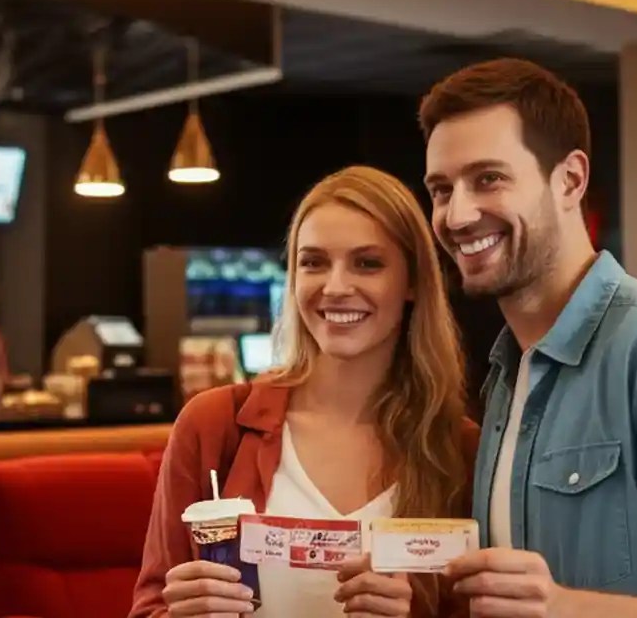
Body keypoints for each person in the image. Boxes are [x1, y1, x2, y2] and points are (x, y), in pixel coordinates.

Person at [420, 58, 637, 617]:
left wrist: (565, 609)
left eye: (489, 179)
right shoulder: (508, 372)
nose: (457, 215)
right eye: (440, 188)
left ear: (570, 179)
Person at [131, 166, 480, 618]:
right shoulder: (214, 426)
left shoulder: (459, 448)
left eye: (367, 263)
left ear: (413, 282)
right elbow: (150, 606)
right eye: (313, 262)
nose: (335, 288)